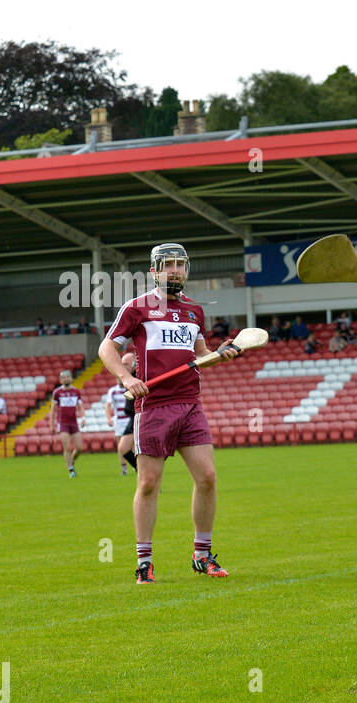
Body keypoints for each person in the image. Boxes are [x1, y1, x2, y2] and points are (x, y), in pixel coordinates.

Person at [99, 243, 241, 584]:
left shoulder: (195, 311)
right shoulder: (137, 308)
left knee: (207, 477)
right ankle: (144, 562)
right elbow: (107, 346)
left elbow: (201, 354)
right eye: (167, 265)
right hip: (154, 405)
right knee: (148, 483)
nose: (175, 270)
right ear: (154, 271)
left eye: (180, 264)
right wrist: (126, 377)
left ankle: (202, 555)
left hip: (191, 404)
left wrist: (220, 354)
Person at [104, 352, 138, 475]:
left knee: (140, 450)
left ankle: (145, 475)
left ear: (135, 364)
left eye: (126, 364)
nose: (123, 367)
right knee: (123, 448)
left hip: (139, 417)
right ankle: (141, 471)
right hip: (132, 418)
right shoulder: (128, 378)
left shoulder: (138, 377)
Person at [48, 369, 85, 477]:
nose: (66, 379)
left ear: (71, 378)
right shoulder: (57, 393)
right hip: (62, 423)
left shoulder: (76, 392)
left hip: (74, 423)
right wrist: (51, 424)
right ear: (60, 380)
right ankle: (71, 470)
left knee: (79, 448)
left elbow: (81, 406)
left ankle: (71, 461)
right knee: (67, 447)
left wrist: (83, 417)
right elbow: (53, 410)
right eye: (64, 377)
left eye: (68, 377)